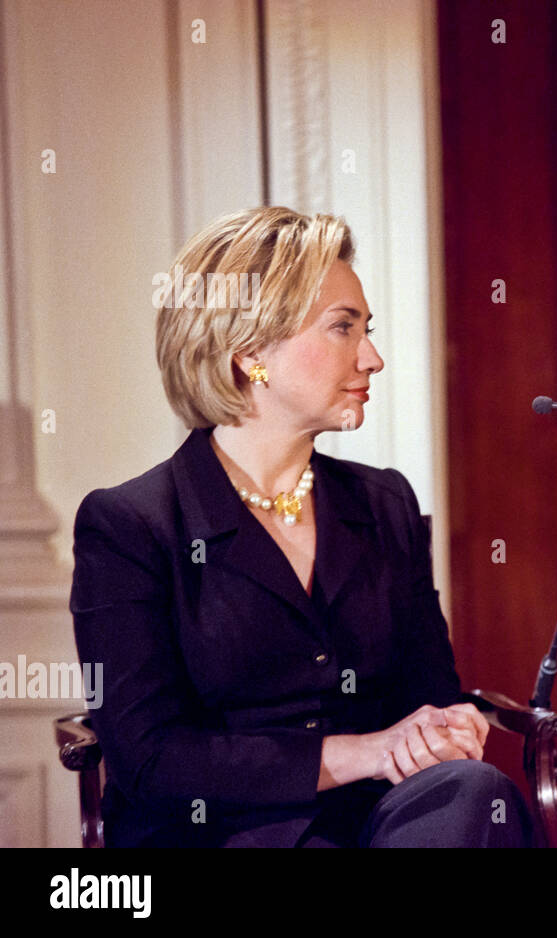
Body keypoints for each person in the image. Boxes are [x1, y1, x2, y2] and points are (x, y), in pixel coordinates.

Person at [70, 206, 530, 847]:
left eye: (367, 329)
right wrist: (365, 752)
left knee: (476, 795)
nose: (372, 357)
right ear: (249, 354)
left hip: (378, 825)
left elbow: (428, 693)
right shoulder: (129, 526)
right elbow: (151, 759)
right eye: (343, 328)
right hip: (220, 830)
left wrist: (446, 729)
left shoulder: (383, 503)